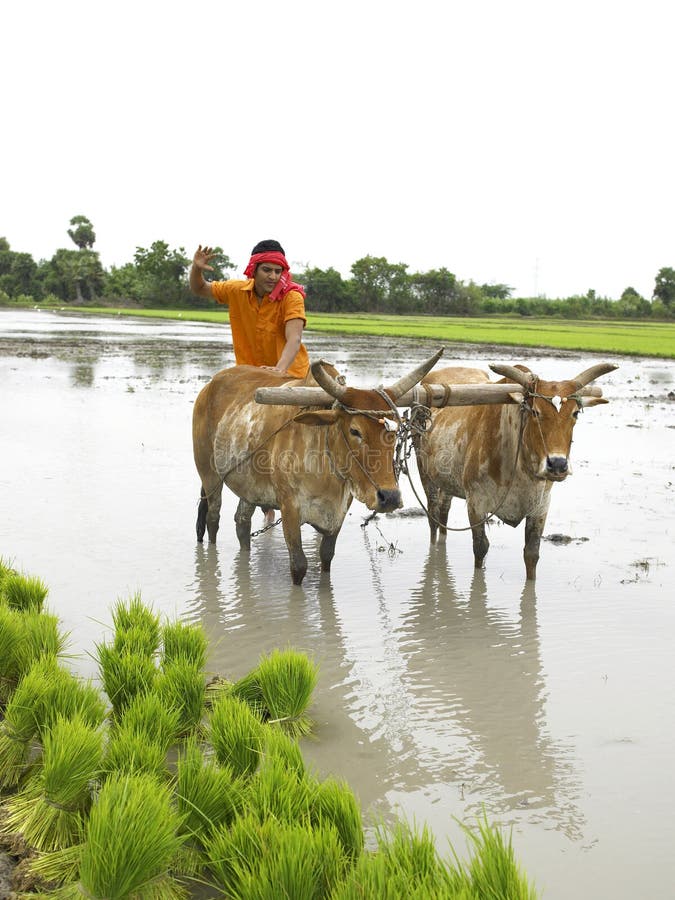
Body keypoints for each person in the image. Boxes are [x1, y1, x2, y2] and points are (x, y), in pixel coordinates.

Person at [189, 239, 309, 378]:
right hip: (249, 376)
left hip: (290, 375)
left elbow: (294, 338)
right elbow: (200, 288)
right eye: (266, 270)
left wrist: (279, 369)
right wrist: (196, 268)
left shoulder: (292, 297)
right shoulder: (236, 290)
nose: (273, 277)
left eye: (278, 271)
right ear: (254, 269)